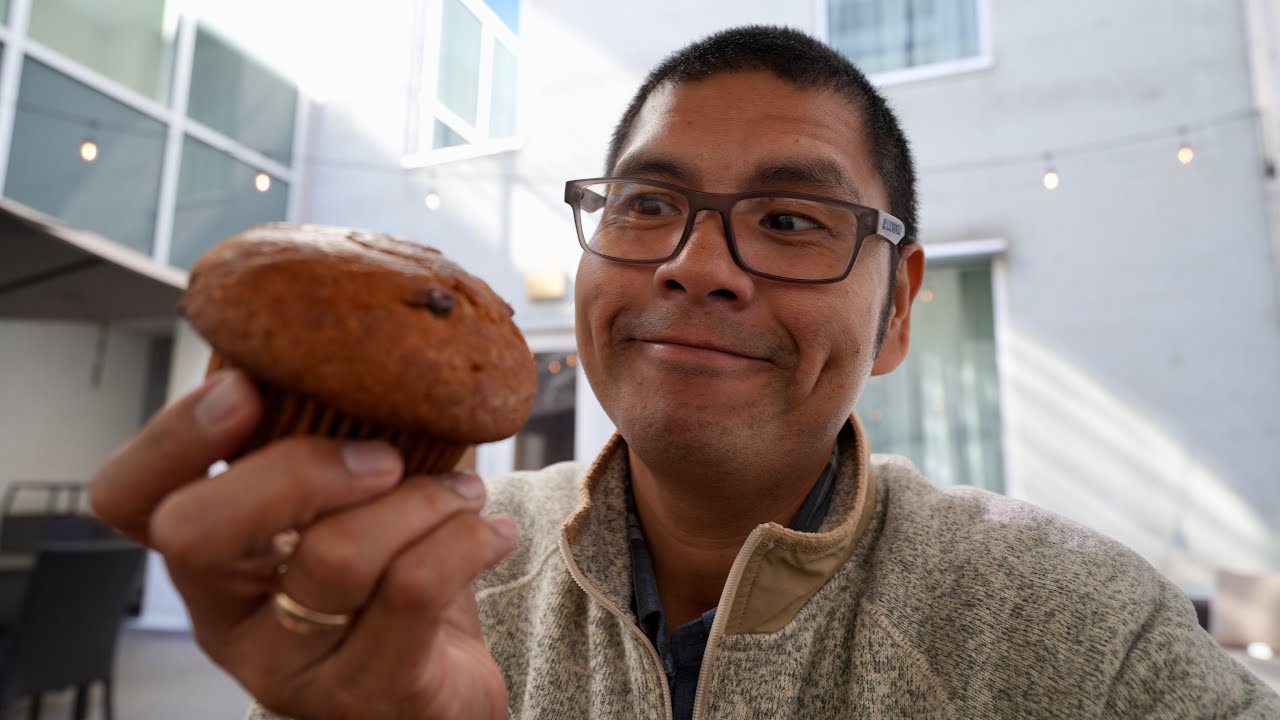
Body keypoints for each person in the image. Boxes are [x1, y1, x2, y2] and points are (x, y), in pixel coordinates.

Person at [91, 25, 1279, 720]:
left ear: (899, 308)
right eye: (649, 203)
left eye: (792, 221)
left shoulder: (1073, 623)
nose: (697, 267)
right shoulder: (428, 573)